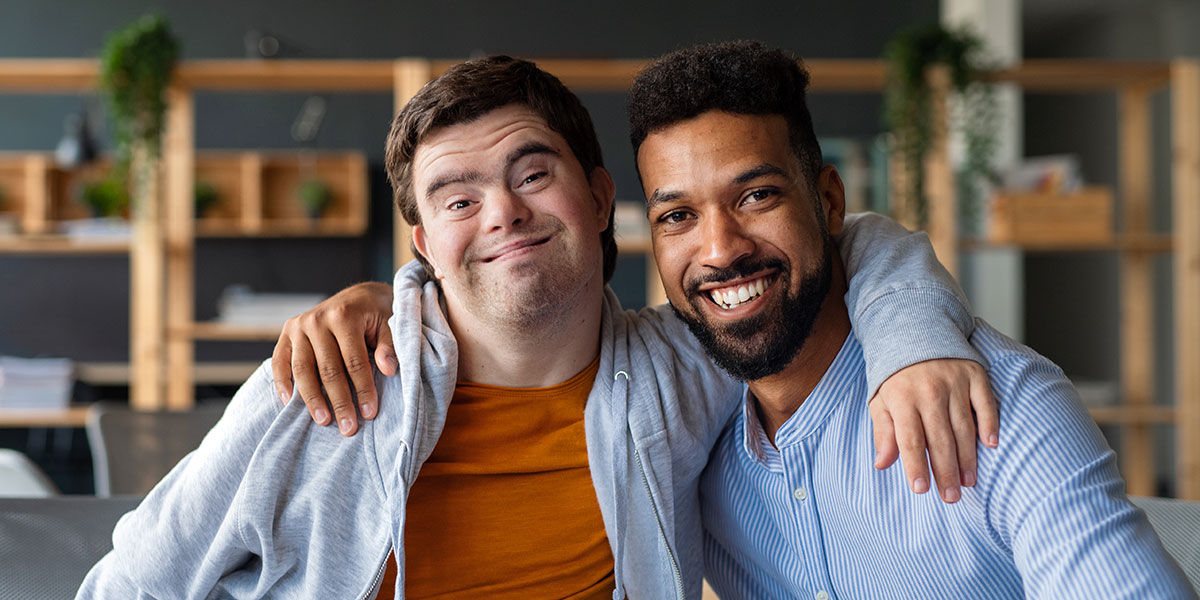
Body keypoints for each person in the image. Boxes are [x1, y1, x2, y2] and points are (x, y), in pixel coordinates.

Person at [79, 54, 993, 599]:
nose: (503, 215)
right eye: (457, 197)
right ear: (425, 242)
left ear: (600, 198)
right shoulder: (325, 385)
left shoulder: (689, 367)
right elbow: (130, 585)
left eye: (532, 173)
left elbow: (852, 241)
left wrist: (917, 347)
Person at [622, 41, 1191, 598]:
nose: (720, 250)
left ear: (830, 201)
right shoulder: (687, 438)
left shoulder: (1000, 409)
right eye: (677, 215)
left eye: (757, 196)